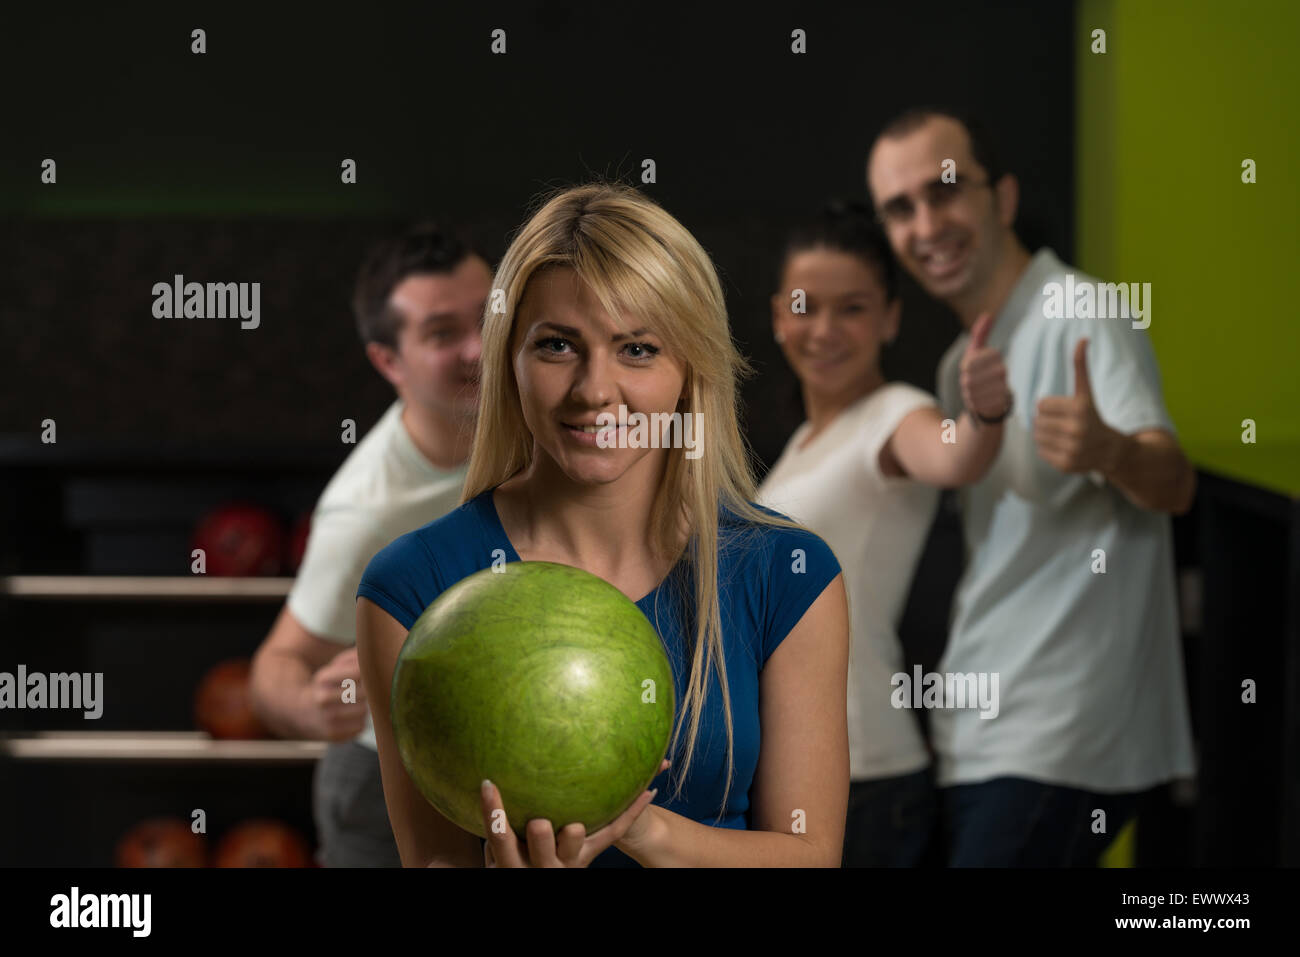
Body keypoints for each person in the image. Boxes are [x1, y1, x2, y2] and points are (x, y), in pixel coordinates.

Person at [355, 182, 850, 868]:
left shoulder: (788, 573)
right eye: (558, 344)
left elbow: (812, 855)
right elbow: (434, 859)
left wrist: (646, 834)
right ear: (510, 361)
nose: (595, 389)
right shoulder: (412, 584)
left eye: (638, 349)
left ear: (689, 369)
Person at [866, 107, 1197, 866]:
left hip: (1059, 732)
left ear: (1003, 199)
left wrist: (1110, 448)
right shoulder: (959, 364)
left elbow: (1174, 483)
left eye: (945, 189)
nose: (926, 222)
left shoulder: (1082, 311)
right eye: (900, 207)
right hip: (976, 728)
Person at [756, 201, 1011, 867]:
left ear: (891, 318)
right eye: (808, 306)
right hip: (804, 773)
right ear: (780, 313)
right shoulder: (801, 447)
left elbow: (955, 454)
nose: (826, 329)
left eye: (855, 308)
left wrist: (984, 415)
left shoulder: (898, 415)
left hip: (865, 774)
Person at [248, 223, 492, 867]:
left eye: (489, 317)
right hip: (385, 789)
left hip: (520, 764)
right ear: (389, 361)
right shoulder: (367, 508)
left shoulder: (557, 423)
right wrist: (311, 704)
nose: (480, 348)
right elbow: (274, 669)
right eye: (443, 334)